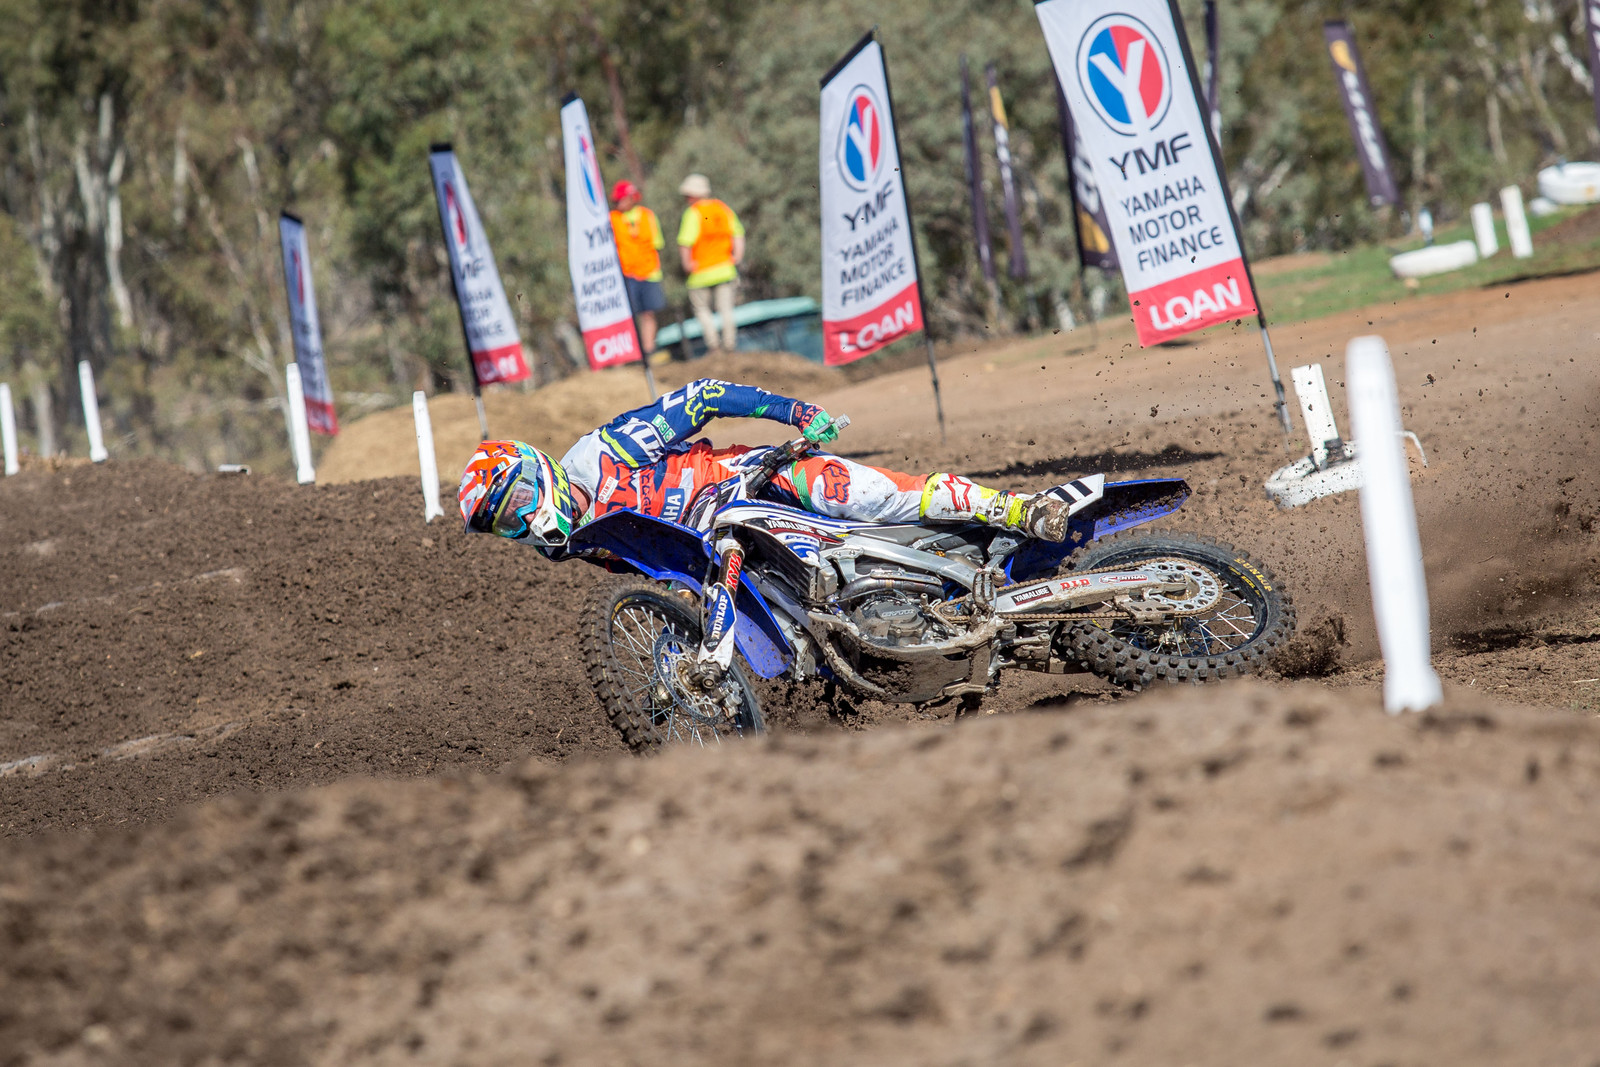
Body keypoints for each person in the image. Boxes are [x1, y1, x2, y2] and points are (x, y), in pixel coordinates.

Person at [458, 379, 1073, 682]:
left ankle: (1019, 510)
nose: (522, 526)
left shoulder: (600, 455)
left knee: (868, 496)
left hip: (752, 484)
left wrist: (793, 411)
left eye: (515, 507)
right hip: (726, 559)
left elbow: (700, 398)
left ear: (535, 473)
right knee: (807, 655)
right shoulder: (587, 541)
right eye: (505, 527)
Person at [676, 174, 743, 354]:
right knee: (726, 310)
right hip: (725, 269)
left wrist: (687, 263)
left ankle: (714, 346)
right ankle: (729, 345)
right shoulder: (722, 209)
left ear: (693, 195)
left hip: (701, 273)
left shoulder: (693, 213)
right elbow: (738, 233)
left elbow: (685, 242)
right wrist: (737, 256)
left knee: (702, 310)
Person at [608, 180, 669, 364]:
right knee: (628, 315)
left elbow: (656, 243)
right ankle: (631, 353)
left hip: (649, 273)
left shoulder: (647, 215)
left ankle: (648, 351)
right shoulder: (612, 219)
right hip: (625, 276)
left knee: (648, 313)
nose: (621, 203)